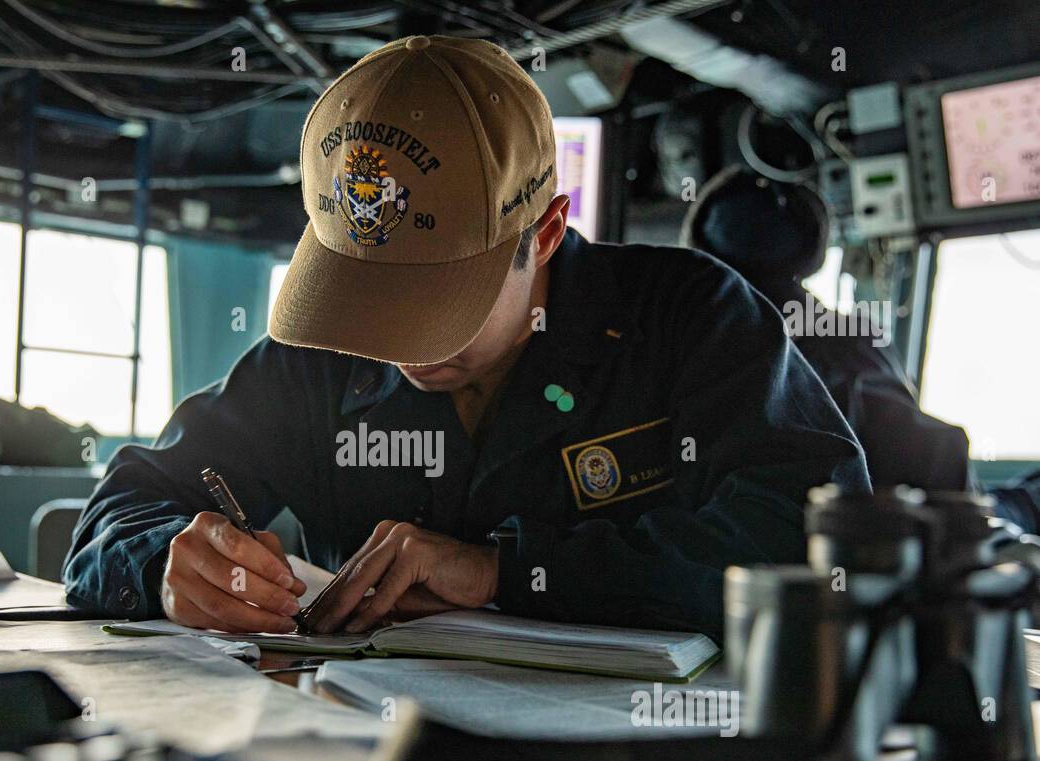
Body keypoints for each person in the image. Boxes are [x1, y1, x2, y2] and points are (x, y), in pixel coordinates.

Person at [64, 35, 868, 639]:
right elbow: (120, 510)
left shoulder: (690, 319)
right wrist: (167, 562)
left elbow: (819, 541)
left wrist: (503, 573)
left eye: (437, 294)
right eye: (365, 293)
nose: (397, 343)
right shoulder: (317, 358)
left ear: (546, 232)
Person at [682, 166, 1040, 531]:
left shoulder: (695, 360)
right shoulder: (845, 337)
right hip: (932, 529)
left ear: (702, 258)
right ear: (811, 252)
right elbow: (929, 464)